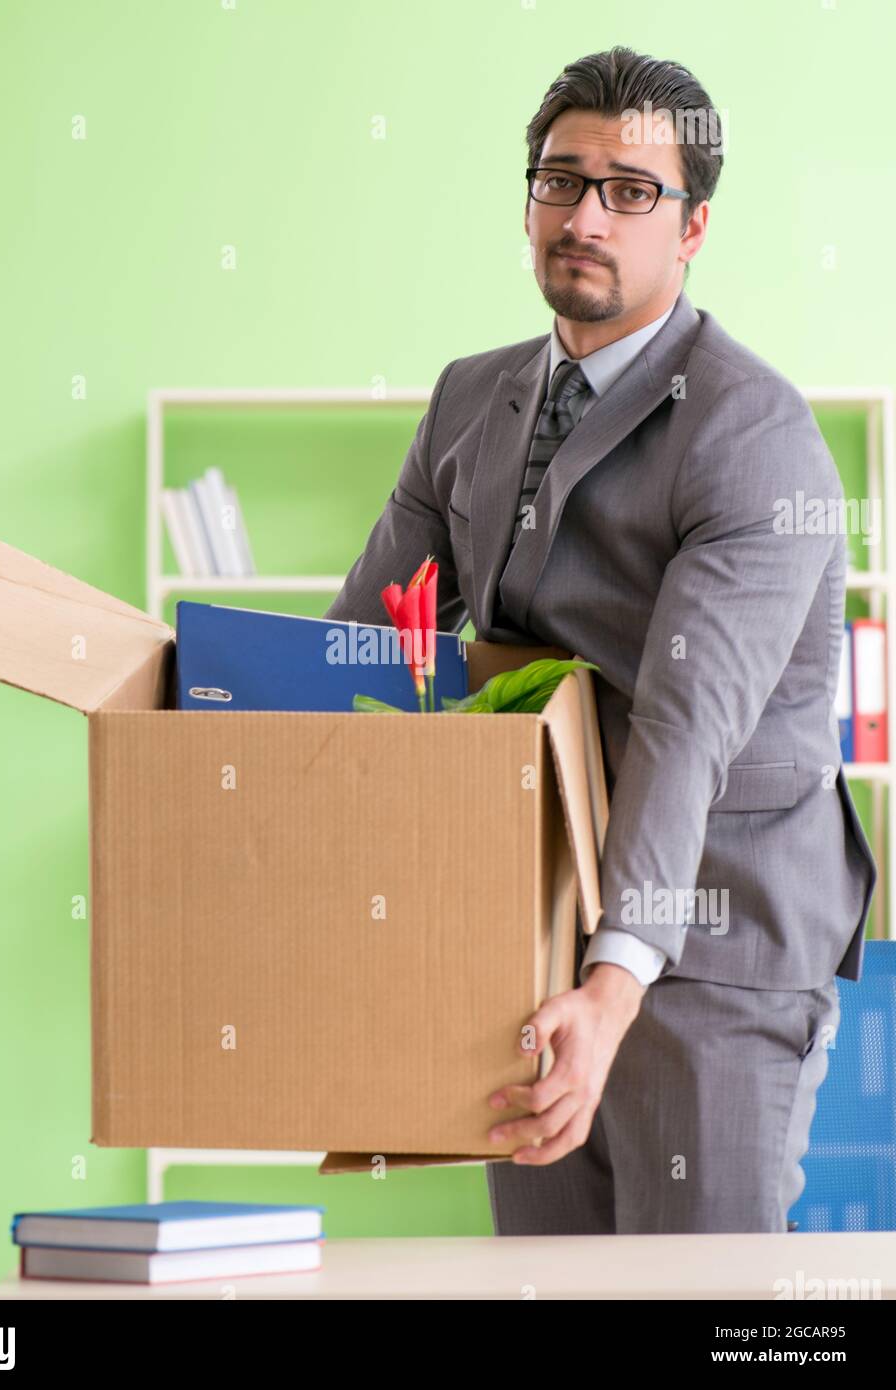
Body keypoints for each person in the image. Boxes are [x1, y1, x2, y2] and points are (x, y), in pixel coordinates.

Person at [323, 45, 876, 1233]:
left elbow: (685, 728)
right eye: (560, 180)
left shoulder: (754, 434)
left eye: (632, 190)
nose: (585, 214)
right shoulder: (472, 400)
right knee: (551, 1282)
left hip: (718, 931)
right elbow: (363, 648)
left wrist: (615, 981)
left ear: (692, 229)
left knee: (706, 1302)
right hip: (528, 914)